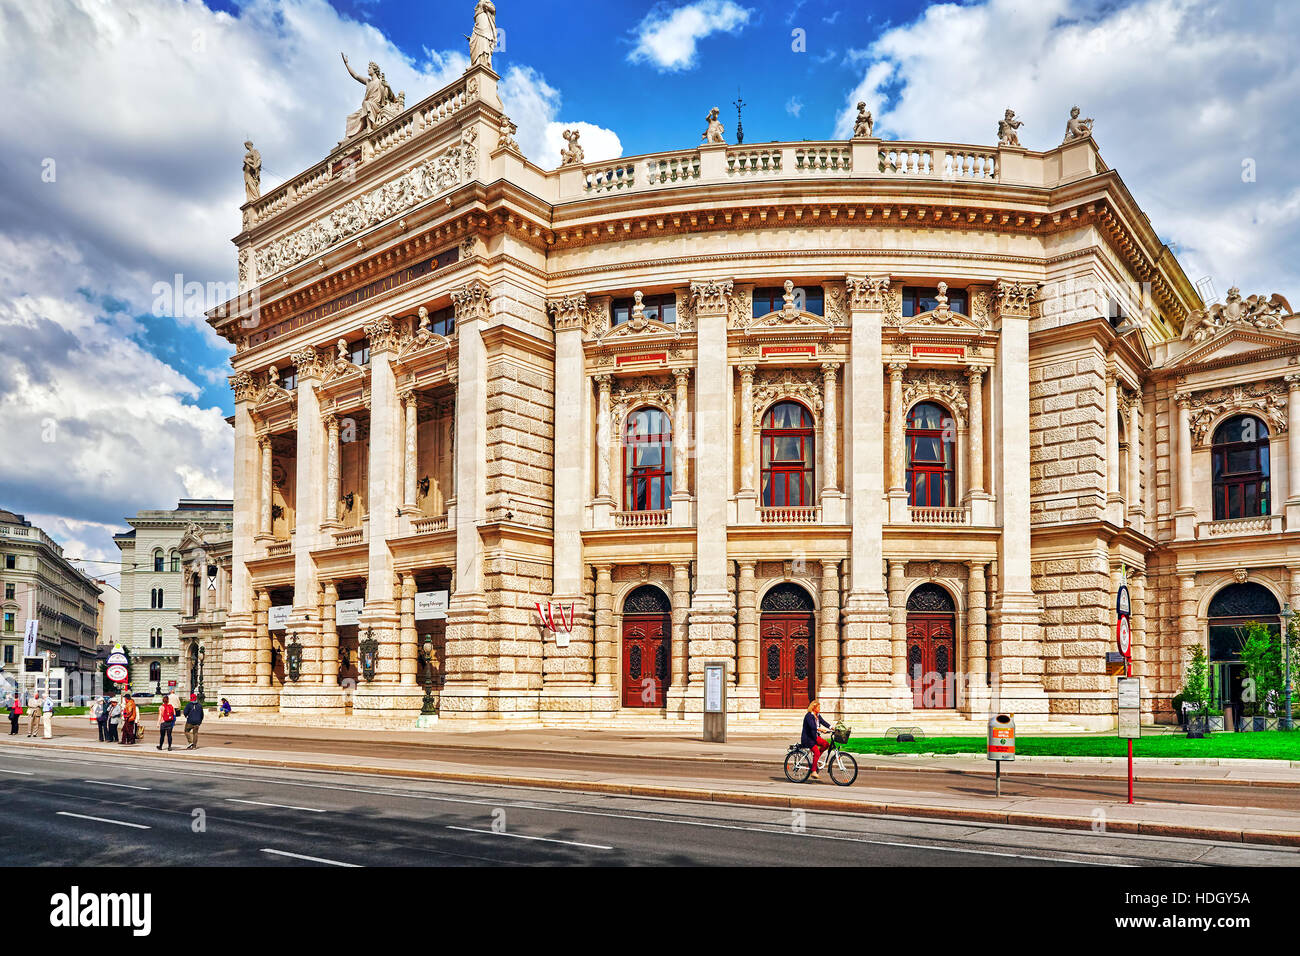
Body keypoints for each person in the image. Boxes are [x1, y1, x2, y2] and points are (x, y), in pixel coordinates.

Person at [802, 699, 832, 781]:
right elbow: (812, 726)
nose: (819, 709)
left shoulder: (818, 715)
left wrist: (832, 727)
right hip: (808, 738)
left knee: (826, 744)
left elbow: (824, 722)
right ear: (814, 708)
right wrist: (821, 730)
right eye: (818, 707)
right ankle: (813, 771)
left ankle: (816, 759)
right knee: (817, 752)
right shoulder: (809, 716)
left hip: (814, 737)